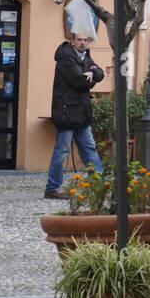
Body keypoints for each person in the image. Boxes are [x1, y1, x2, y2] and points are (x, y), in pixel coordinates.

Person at [44, 33, 105, 198]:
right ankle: (52, 188)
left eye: (85, 40)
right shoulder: (66, 58)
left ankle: (100, 185)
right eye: (79, 40)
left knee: (89, 149)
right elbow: (79, 81)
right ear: (72, 41)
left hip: (81, 113)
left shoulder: (85, 56)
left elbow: (100, 73)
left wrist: (93, 73)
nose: (83, 43)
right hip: (67, 112)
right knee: (62, 151)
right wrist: (90, 76)